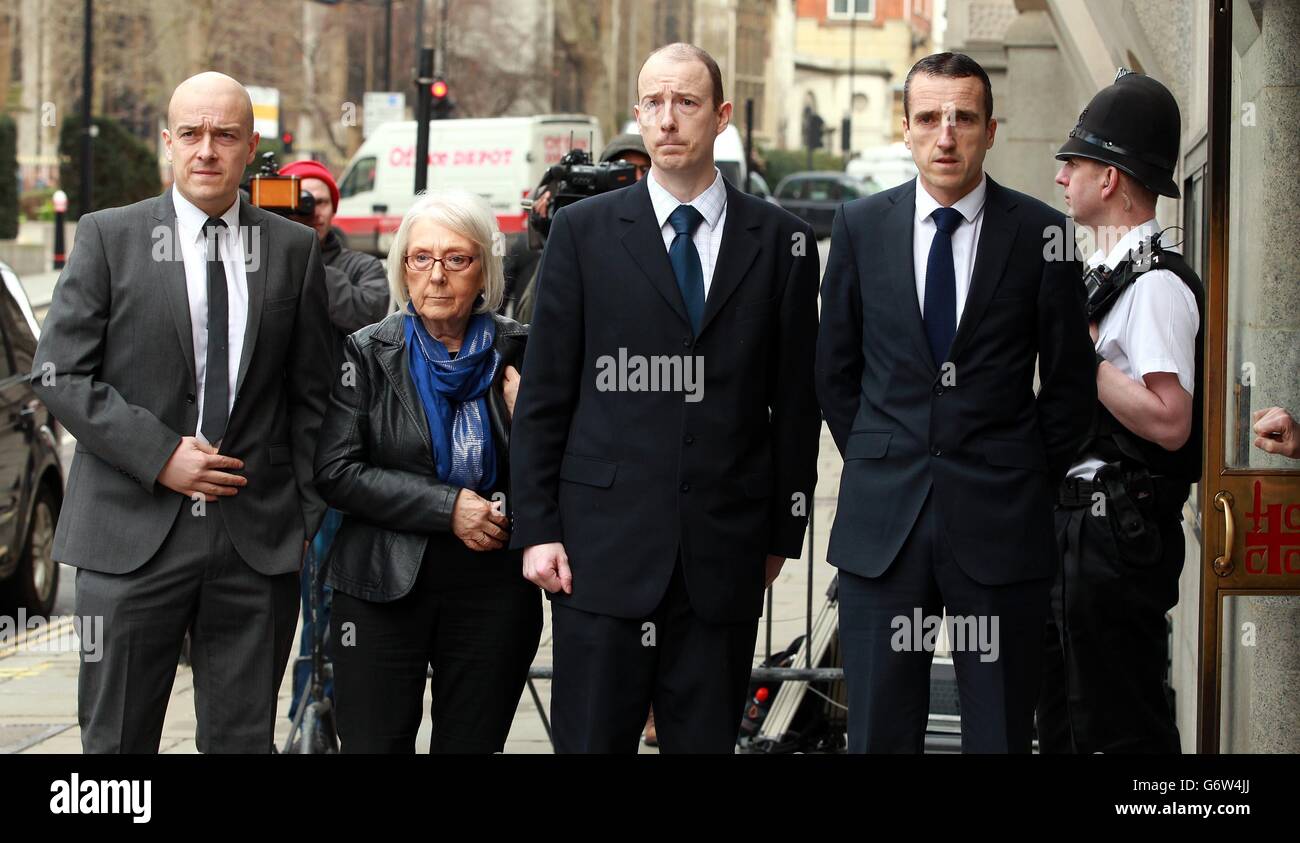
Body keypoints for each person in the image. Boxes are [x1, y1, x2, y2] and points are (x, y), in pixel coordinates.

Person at [510, 42, 821, 754]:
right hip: (597, 552)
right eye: (653, 102)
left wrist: (780, 531)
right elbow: (547, 391)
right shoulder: (582, 234)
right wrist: (538, 526)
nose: (667, 119)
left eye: (685, 102)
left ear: (720, 115)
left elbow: (796, 403)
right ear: (638, 114)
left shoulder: (782, 244)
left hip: (723, 554)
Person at [32, 71, 334, 753]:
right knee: (116, 745)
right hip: (130, 535)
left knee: (241, 741)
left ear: (248, 146)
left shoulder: (291, 249)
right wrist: (160, 453)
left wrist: (305, 518)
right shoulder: (109, 237)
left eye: (224, 134)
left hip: (253, 543)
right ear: (166, 142)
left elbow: (314, 397)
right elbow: (59, 374)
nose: (206, 149)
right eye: (191, 133)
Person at [816, 52, 1096, 753]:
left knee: (1001, 734)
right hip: (884, 527)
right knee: (878, 732)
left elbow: (1068, 388)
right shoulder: (858, 228)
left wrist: (1021, 473)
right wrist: (884, 451)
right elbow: (835, 372)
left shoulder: (1042, 235)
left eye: (964, 118)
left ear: (990, 130)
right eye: (931, 118)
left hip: (1001, 524)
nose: (947, 135)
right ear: (905, 128)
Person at [313, 189, 539, 753]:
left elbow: (573, 473)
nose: (436, 276)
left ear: (484, 271)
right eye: (421, 259)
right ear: (403, 270)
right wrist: (448, 508)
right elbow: (336, 471)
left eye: (456, 259)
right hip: (382, 587)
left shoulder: (524, 353)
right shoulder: (365, 353)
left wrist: (531, 425)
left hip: (493, 590)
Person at [1038, 70, 1204, 754]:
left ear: (1108, 179)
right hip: (1081, 532)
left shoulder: (1158, 286)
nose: (1060, 180)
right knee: (1069, 723)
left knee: (1116, 726)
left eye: (1071, 164)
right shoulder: (1109, 277)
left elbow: (1171, 419)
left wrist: (1082, 359)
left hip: (1115, 537)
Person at [277, 159, 390, 727]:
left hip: (344, 449)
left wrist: (305, 253)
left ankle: (334, 715)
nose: (310, 209)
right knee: (297, 601)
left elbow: (363, 311)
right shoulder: (258, 251)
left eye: (318, 200)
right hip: (284, 453)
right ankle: (305, 713)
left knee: (332, 598)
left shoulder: (360, 266)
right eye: (300, 199)